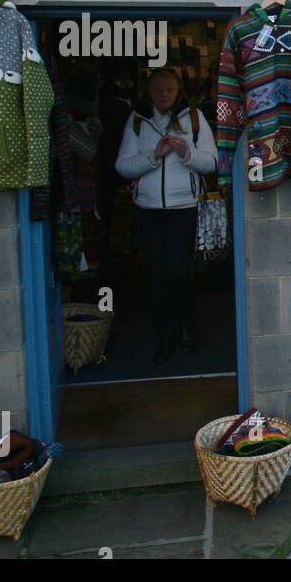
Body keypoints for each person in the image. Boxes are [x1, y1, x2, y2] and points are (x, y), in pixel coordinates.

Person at [115, 69, 216, 363]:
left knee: (179, 272)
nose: (164, 95)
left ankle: (187, 329)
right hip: (148, 210)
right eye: (158, 90)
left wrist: (186, 153)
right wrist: (154, 156)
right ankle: (164, 333)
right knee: (156, 274)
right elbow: (122, 166)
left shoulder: (194, 118)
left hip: (183, 208)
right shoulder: (137, 121)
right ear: (149, 92)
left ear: (178, 91)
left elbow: (211, 162)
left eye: (169, 90)